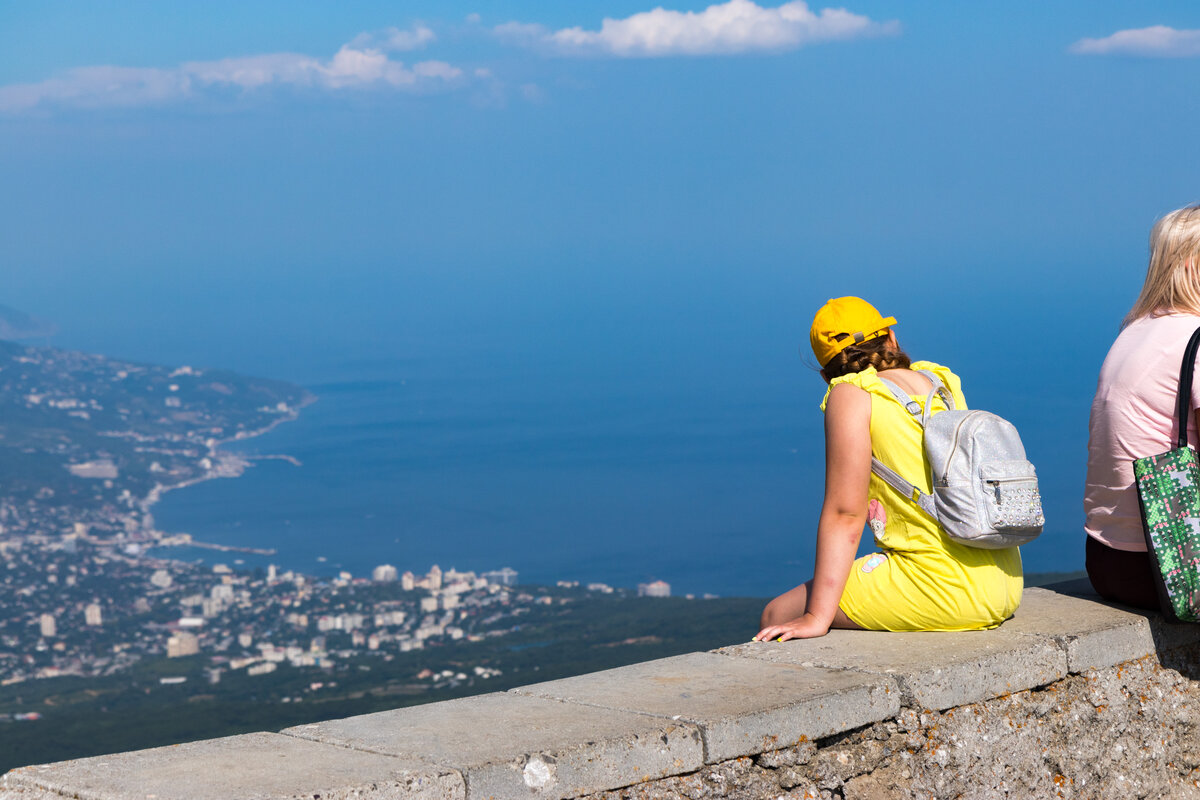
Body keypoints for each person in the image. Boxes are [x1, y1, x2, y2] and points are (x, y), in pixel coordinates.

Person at [755, 297, 1023, 641]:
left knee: (777, 614)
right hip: (1004, 580)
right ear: (892, 339)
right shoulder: (942, 382)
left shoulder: (851, 395)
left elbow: (845, 514)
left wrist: (816, 616)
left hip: (943, 589)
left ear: (826, 374)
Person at [1085, 205, 1200, 610]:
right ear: (1191, 265)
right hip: (1174, 568)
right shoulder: (1194, 338)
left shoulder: (1135, 330)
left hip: (1108, 562)